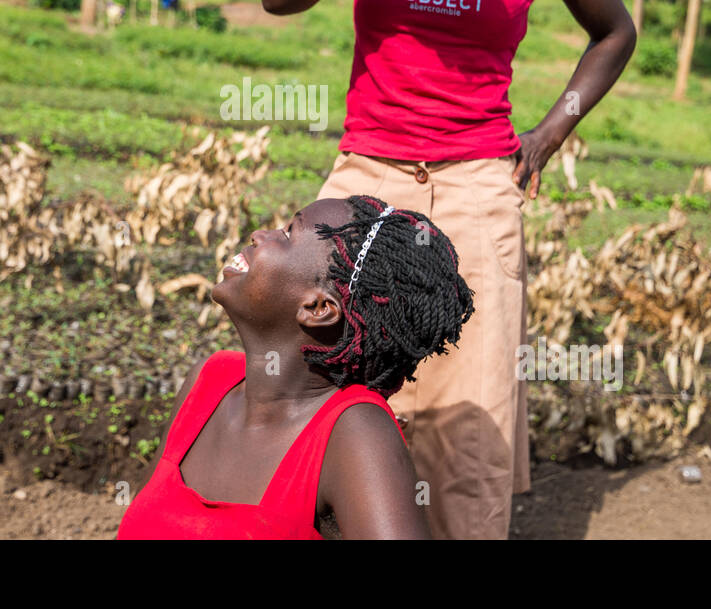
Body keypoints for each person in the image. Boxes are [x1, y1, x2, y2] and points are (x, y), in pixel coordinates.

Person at [260, 0, 637, 539]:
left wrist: (549, 131)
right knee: (321, 366)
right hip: (364, 180)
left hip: (473, 185)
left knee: (469, 407)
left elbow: (614, 32)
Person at [117, 195, 475, 539]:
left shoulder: (355, 435)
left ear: (318, 308)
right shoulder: (209, 380)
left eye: (288, 234)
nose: (260, 235)